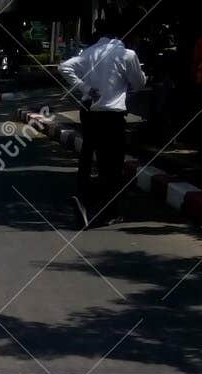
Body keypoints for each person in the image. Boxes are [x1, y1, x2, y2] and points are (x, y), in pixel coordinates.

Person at [60, 12, 146, 227]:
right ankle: (110, 211)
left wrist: (86, 88)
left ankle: (82, 197)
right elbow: (139, 84)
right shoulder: (127, 55)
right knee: (112, 164)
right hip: (112, 117)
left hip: (88, 112)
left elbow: (63, 67)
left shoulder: (89, 52)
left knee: (87, 156)